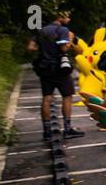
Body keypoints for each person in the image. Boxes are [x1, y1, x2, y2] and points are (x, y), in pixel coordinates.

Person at [28, 11, 83, 139]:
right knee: (67, 96)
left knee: (47, 98)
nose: (69, 19)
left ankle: (46, 131)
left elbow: (31, 47)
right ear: (59, 17)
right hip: (59, 68)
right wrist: (69, 40)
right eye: (67, 16)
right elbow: (64, 48)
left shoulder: (41, 31)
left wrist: (46, 49)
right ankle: (68, 129)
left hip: (44, 68)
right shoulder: (63, 30)